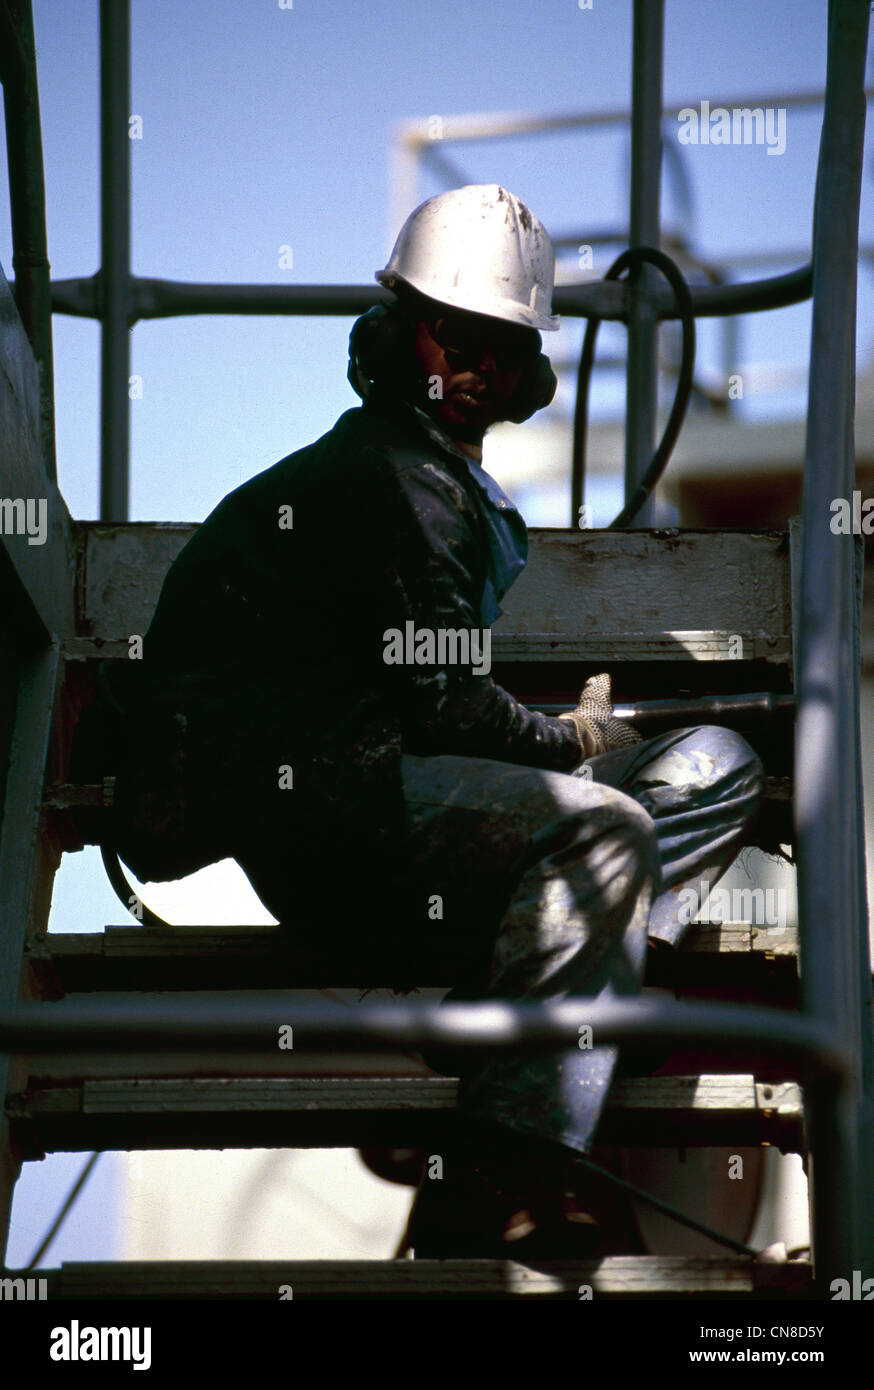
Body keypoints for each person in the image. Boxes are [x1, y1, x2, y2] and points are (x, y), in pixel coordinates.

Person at [92, 185, 764, 1257]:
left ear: (527, 367)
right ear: (403, 331)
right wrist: (574, 746)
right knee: (601, 831)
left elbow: (438, 702)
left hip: (401, 803)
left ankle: (571, 992)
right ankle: (508, 1160)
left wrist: (566, 751)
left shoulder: (438, 478)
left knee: (716, 764)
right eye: (455, 335)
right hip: (326, 815)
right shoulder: (391, 476)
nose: (478, 367)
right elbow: (446, 696)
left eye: (502, 345)